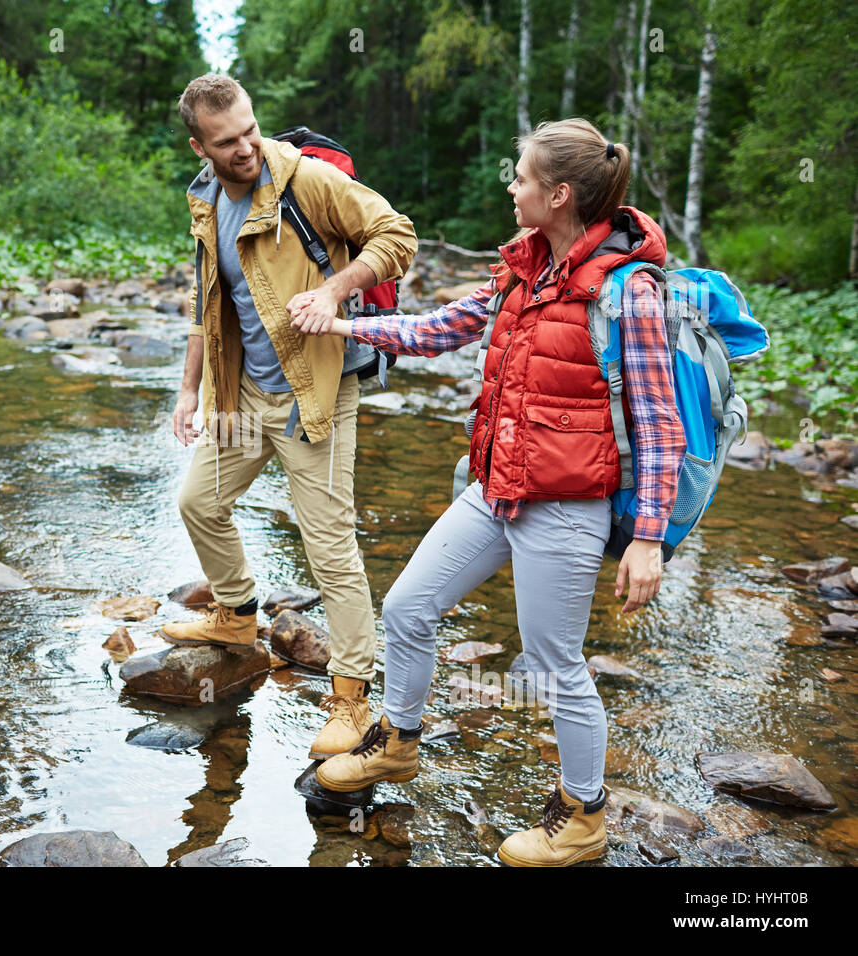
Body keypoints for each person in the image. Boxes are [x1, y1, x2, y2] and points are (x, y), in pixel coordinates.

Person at [298, 118, 686, 866]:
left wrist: (648, 539)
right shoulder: (523, 267)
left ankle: (582, 819)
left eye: (522, 178)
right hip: (495, 490)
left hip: (568, 506)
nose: (512, 188)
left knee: (552, 667)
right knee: (407, 608)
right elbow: (446, 328)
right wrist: (347, 326)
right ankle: (397, 745)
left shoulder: (628, 292)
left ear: (560, 194)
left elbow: (660, 420)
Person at [160, 73, 417, 760]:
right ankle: (237, 615)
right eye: (227, 141)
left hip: (316, 397)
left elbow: (397, 234)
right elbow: (206, 304)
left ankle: (351, 697)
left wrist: (335, 290)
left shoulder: (307, 182)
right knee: (197, 501)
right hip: (245, 397)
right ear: (200, 147)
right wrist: (190, 392)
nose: (247, 148)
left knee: (330, 550)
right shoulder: (205, 199)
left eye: (250, 130)